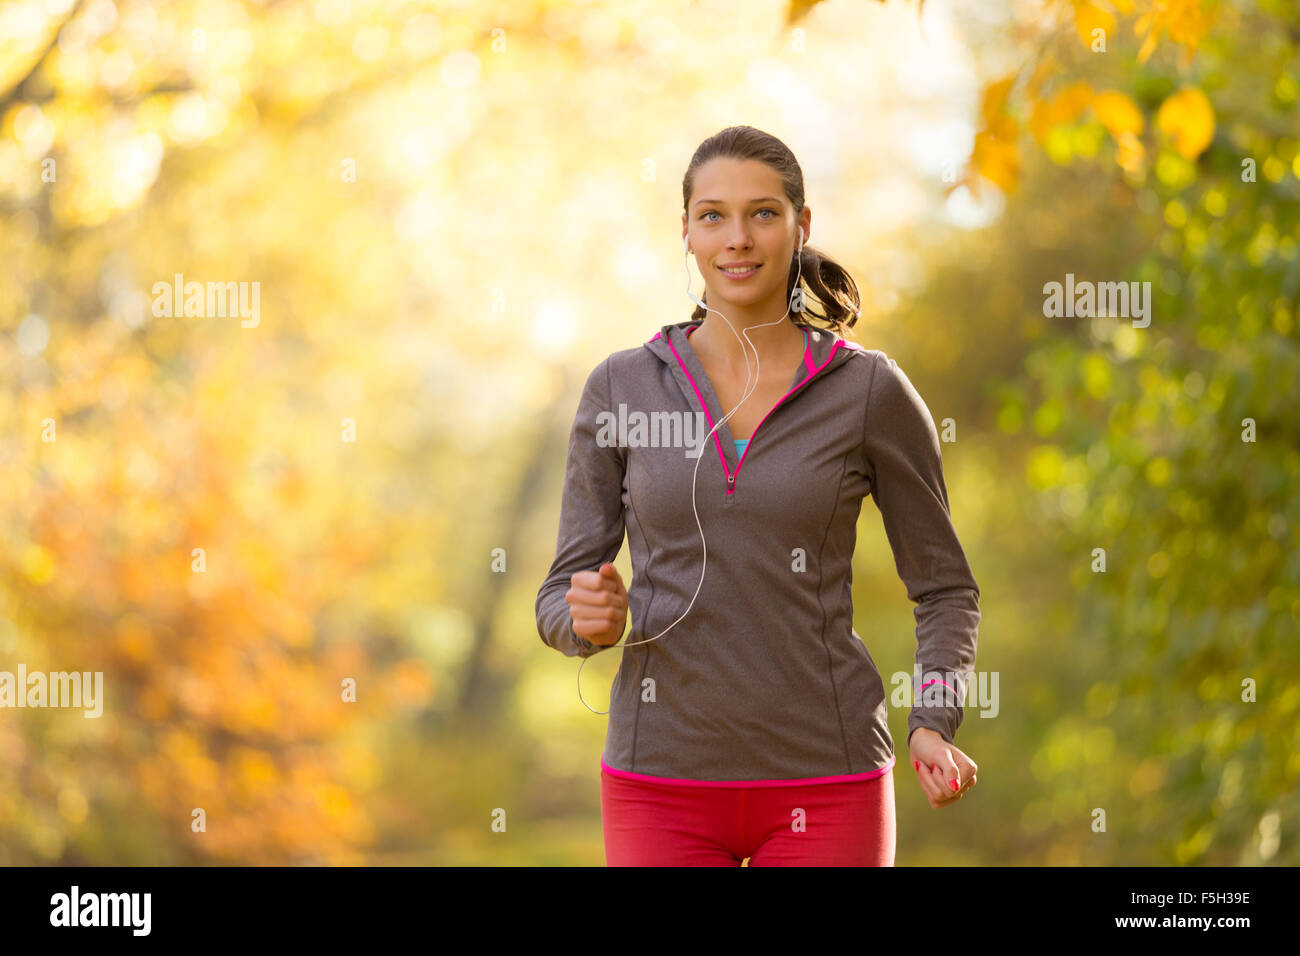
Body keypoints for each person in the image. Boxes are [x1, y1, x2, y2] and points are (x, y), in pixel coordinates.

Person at [534, 125, 980, 866]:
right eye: (712, 215)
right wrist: (588, 622)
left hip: (829, 777)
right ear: (685, 232)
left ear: (801, 225)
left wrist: (933, 716)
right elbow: (558, 596)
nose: (736, 238)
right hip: (659, 778)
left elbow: (945, 588)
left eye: (762, 214)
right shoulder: (622, 387)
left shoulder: (868, 391)